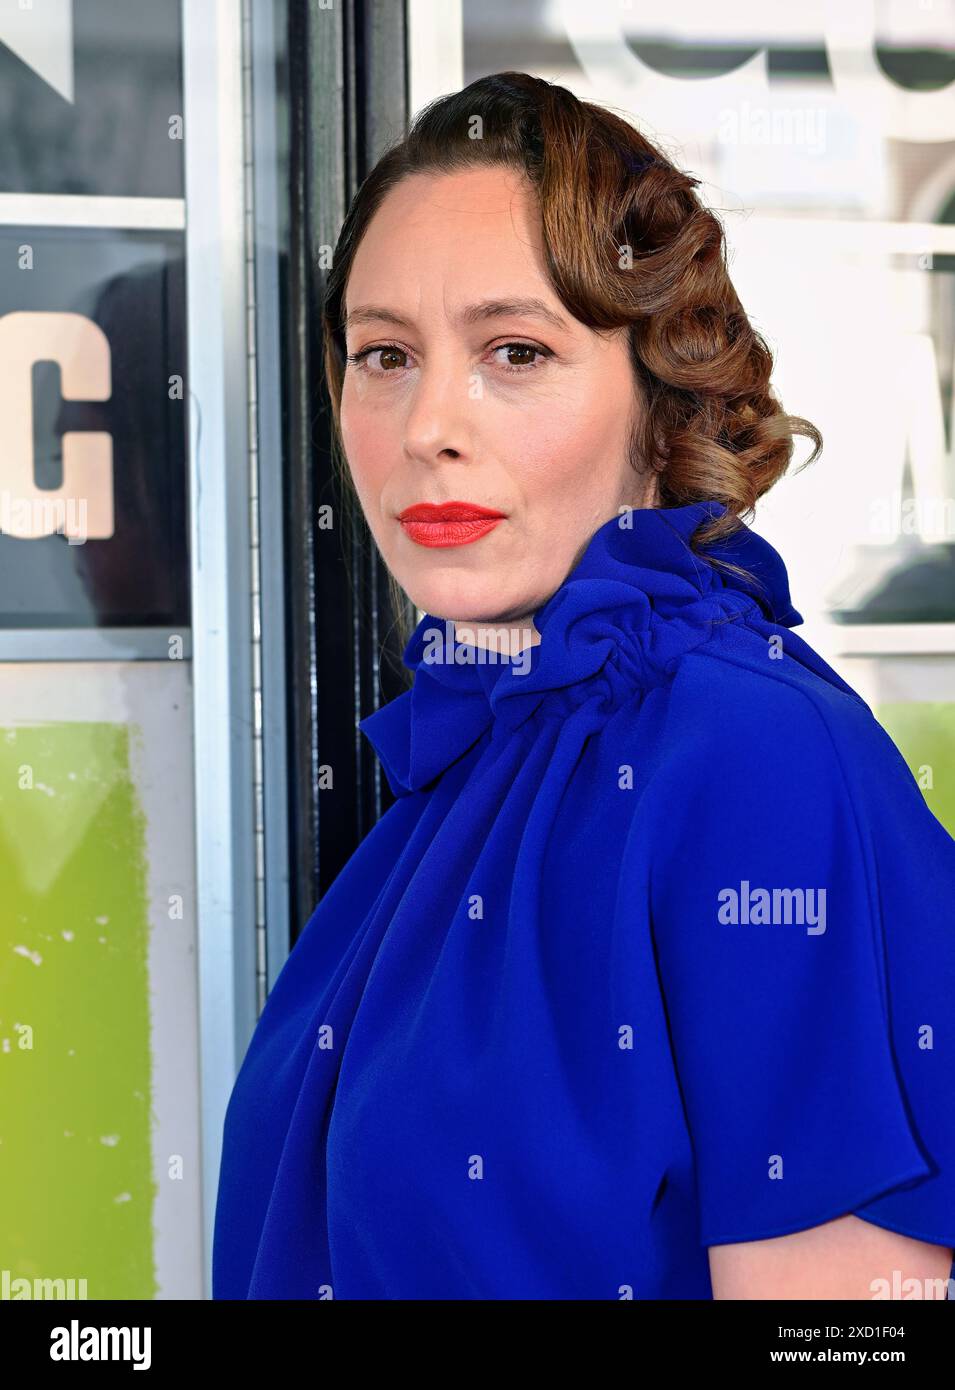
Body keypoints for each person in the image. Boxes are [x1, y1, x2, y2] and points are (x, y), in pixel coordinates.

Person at [212, 72, 955, 1300]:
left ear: (658, 396)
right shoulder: (467, 752)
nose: (426, 425)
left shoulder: (749, 752)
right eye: (383, 354)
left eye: (516, 351)